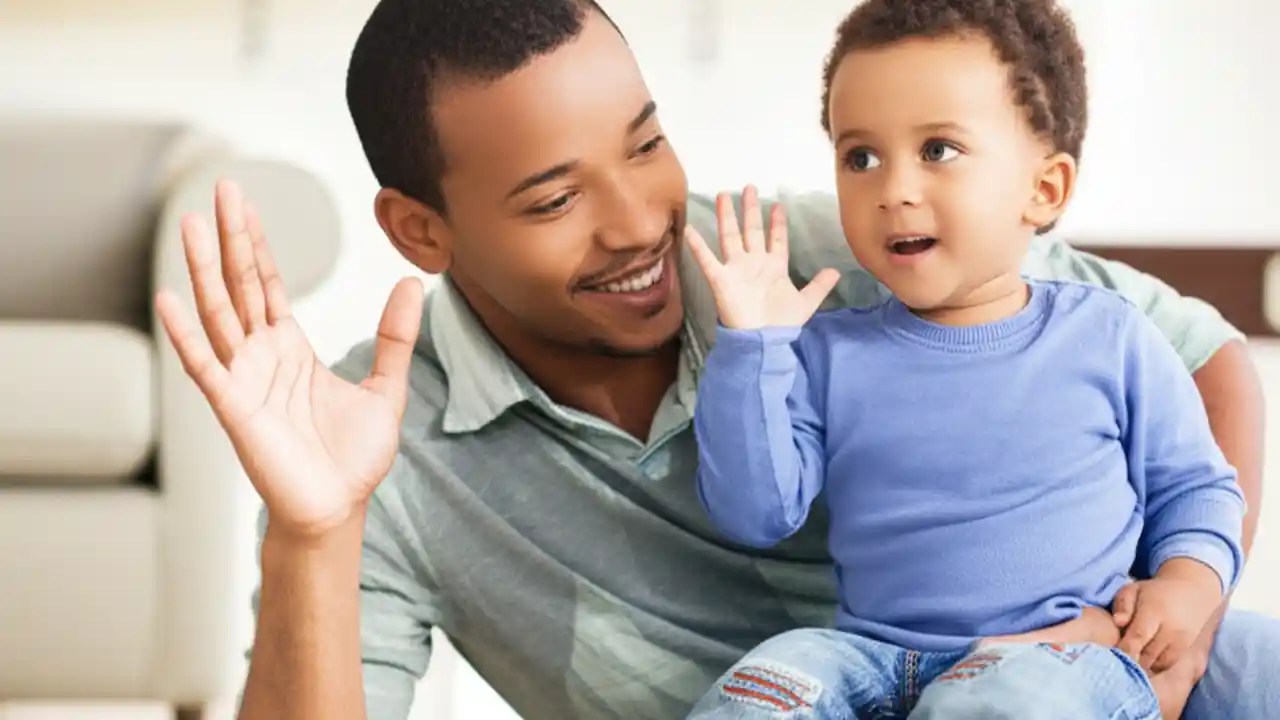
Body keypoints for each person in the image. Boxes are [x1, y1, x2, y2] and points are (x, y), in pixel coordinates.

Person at [151, 0, 1275, 718]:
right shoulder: (380, 453)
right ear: (421, 231)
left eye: (645, 143)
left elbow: (1202, 359)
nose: (639, 220)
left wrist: (1161, 625)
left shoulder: (845, 250)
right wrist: (313, 532)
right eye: (553, 200)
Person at [685, 1, 1243, 718]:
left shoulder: (1109, 337)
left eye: (938, 150)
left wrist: (1188, 586)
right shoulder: (824, 352)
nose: (894, 190)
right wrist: (750, 350)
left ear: (1044, 190)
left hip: (1057, 654)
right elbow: (754, 514)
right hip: (870, 654)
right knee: (763, 689)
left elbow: (1197, 488)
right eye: (861, 157)